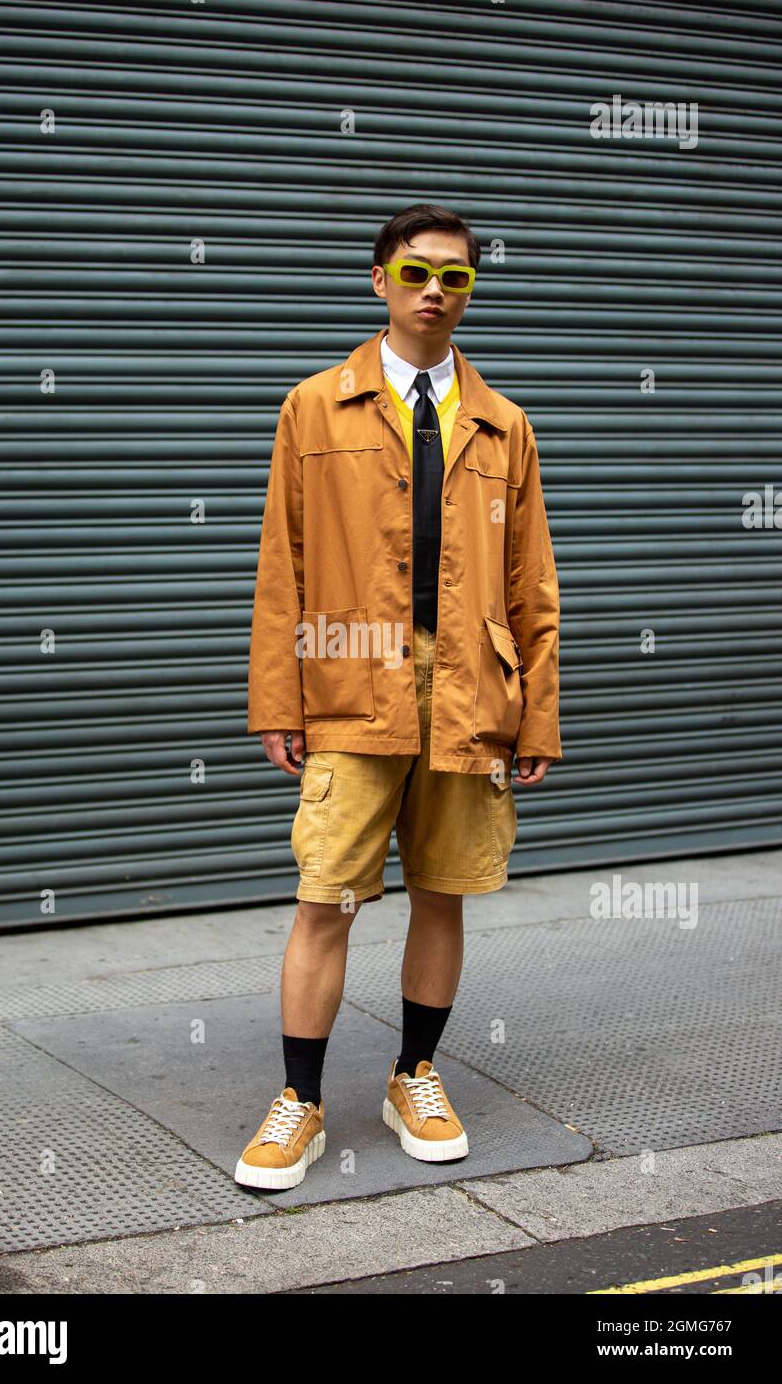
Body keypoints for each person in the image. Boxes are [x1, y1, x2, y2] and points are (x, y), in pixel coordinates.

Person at [236, 203, 561, 1189]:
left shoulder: (504, 424)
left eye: (454, 277)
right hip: (348, 676)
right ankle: (298, 1101)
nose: (433, 291)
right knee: (325, 893)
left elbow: (531, 580)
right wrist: (276, 700)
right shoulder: (313, 406)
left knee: (443, 889)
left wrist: (533, 710)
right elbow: (279, 564)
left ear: (468, 292)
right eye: (415, 272)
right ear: (377, 280)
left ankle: (413, 1073)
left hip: (469, 689)